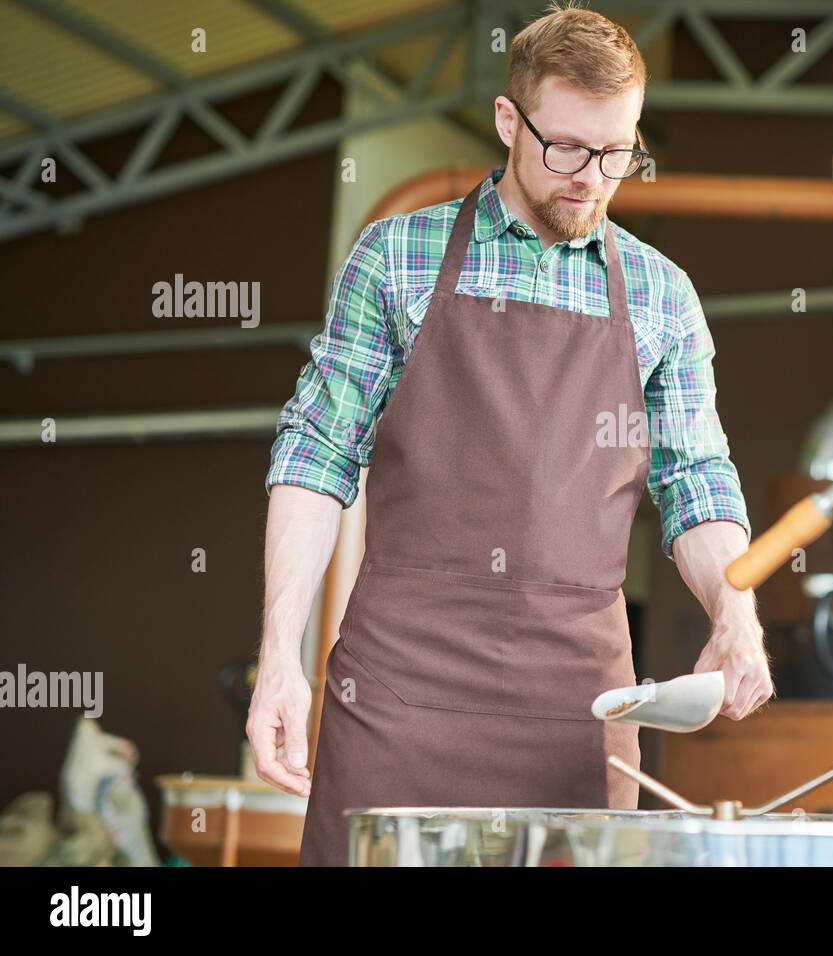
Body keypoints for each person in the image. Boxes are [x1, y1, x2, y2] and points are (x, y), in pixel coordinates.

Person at [246, 1, 773, 866]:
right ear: (507, 120)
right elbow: (317, 454)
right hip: (397, 692)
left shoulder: (662, 295)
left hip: (579, 708)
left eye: (618, 154)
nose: (591, 179)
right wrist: (280, 654)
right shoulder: (397, 255)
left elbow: (696, 480)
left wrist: (736, 611)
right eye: (566, 148)